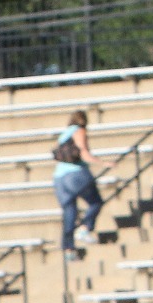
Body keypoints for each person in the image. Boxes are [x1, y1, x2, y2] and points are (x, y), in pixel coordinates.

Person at [53, 110, 109, 258]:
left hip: (59, 177)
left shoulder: (64, 134)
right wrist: (103, 163)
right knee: (95, 202)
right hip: (76, 173)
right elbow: (83, 152)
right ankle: (85, 228)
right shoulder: (79, 131)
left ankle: (68, 249)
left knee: (69, 212)